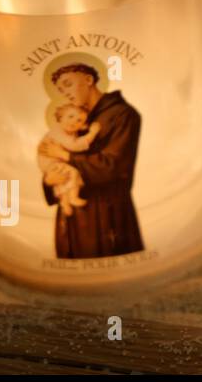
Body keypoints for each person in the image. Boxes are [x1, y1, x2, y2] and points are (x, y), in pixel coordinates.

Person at [37, 63, 144, 259]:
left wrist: (66, 156)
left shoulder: (121, 115)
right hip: (71, 212)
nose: (65, 93)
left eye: (68, 84)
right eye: (61, 90)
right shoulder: (74, 120)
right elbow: (54, 160)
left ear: (88, 79)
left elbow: (114, 166)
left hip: (106, 212)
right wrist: (48, 180)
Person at [36, 103, 101, 217]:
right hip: (50, 162)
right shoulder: (58, 132)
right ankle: (73, 197)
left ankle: (65, 202)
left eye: (79, 120)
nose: (74, 122)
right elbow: (74, 145)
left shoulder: (68, 130)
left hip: (53, 162)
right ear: (60, 117)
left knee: (64, 179)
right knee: (73, 173)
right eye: (70, 117)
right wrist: (92, 133)